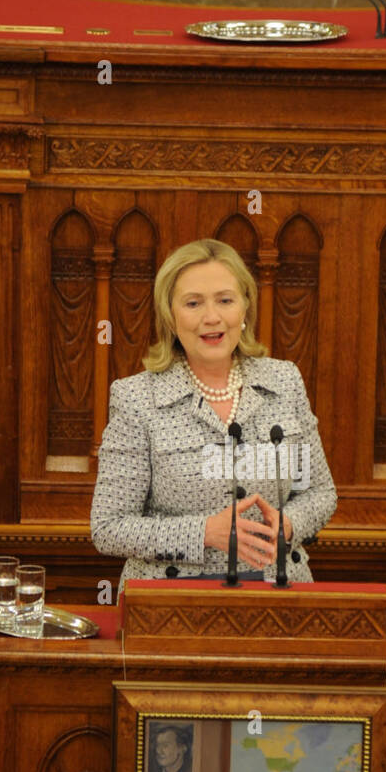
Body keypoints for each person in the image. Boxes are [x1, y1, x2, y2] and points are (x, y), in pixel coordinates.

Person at [90, 238, 337, 596]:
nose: (212, 317)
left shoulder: (284, 382)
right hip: (170, 601)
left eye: (225, 300)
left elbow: (320, 493)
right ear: (170, 315)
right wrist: (204, 533)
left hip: (279, 591)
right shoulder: (137, 399)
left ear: (245, 307)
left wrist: (289, 524)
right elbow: (108, 527)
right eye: (193, 303)